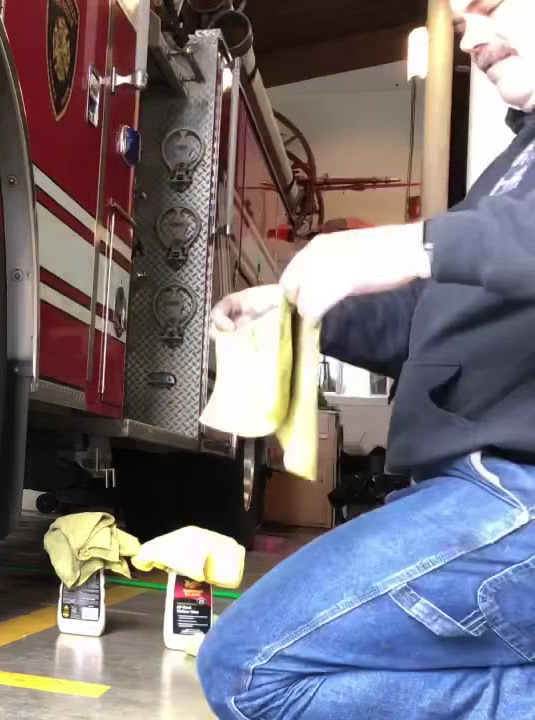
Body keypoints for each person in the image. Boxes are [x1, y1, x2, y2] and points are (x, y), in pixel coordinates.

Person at [197, 1, 535, 717]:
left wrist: (407, 245)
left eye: (486, 5)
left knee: (250, 671)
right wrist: (297, 305)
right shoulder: (516, 161)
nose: (470, 37)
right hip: (474, 491)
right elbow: (428, 321)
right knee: (246, 669)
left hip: (515, 497)